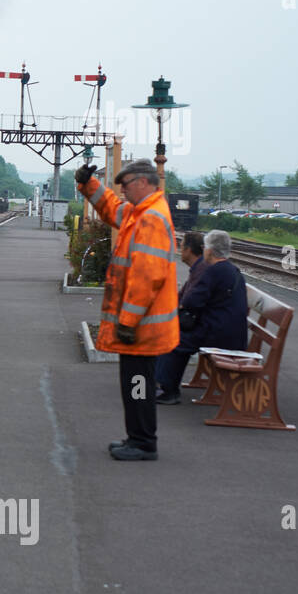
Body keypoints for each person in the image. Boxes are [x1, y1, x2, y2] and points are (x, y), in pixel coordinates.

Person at [75, 159, 180, 461]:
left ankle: (143, 443)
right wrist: (88, 184)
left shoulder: (151, 219)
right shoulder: (141, 212)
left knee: (138, 386)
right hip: (141, 326)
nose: (120, 189)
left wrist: (129, 321)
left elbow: (147, 277)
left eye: (125, 183)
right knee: (135, 384)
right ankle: (137, 438)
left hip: (142, 328)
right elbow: (110, 208)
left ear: (144, 183)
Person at [154, 230, 248, 403]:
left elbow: (191, 301)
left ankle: (168, 391)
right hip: (230, 331)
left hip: (218, 333)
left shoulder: (213, 271)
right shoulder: (230, 269)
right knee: (177, 335)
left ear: (209, 251)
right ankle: (162, 384)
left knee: (176, 341)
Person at [176, 231, 207, 302]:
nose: (180, 251)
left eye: (181, 247)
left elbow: (188, 301)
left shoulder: (201, 272)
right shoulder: (199, 267)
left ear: (188, 249)